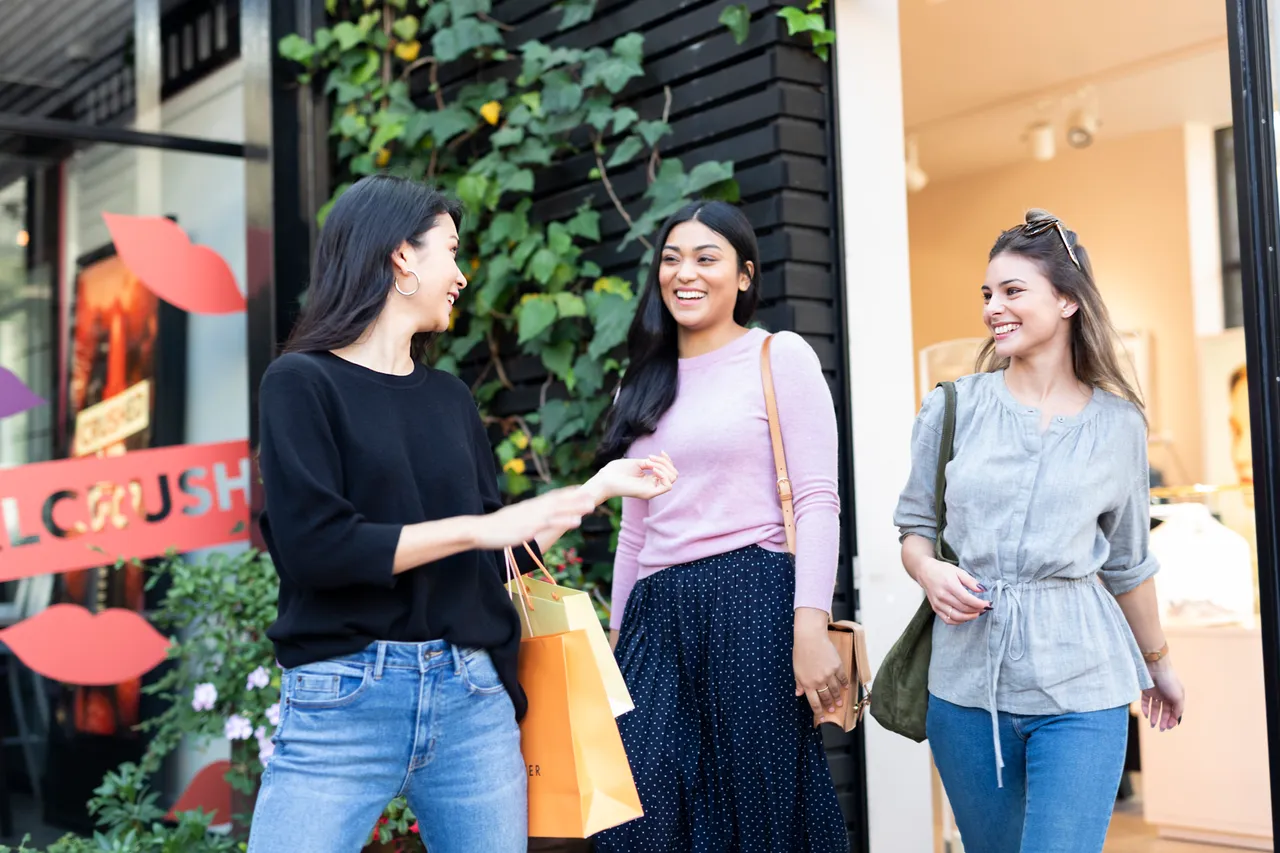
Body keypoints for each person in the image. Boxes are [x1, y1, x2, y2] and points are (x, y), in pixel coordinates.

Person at [246, 175, 678, 853]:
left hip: (470, 696)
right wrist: (479, 529)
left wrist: (595, 490)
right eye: (450, 251)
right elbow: (315, 549)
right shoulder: (300, 382)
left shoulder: (449, 398)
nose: (461, 275)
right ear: (401, 257)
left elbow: (497, 556)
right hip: (344, 696)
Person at [893, 209, 1186, 853]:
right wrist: (929, 569)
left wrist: (1158, 662)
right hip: (966, 689)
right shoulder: (953, 407)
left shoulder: (1120, 426)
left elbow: (1128, 563)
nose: (992, 308)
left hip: (1084, 682)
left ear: (1067, 302)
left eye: (1012, 291)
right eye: (987, 294)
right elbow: (915, 528)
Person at [593, 200, 849, 853]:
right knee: (635, 821)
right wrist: (617, 649)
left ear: (744, 275)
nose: (685, 273)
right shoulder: (639, 383)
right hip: (655, 614)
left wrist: (810, 625)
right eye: (672, 259)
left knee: (756, 812)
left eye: (706, 258)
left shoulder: (777, 355)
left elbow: (817, 498)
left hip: (752, 601)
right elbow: (632, 531)